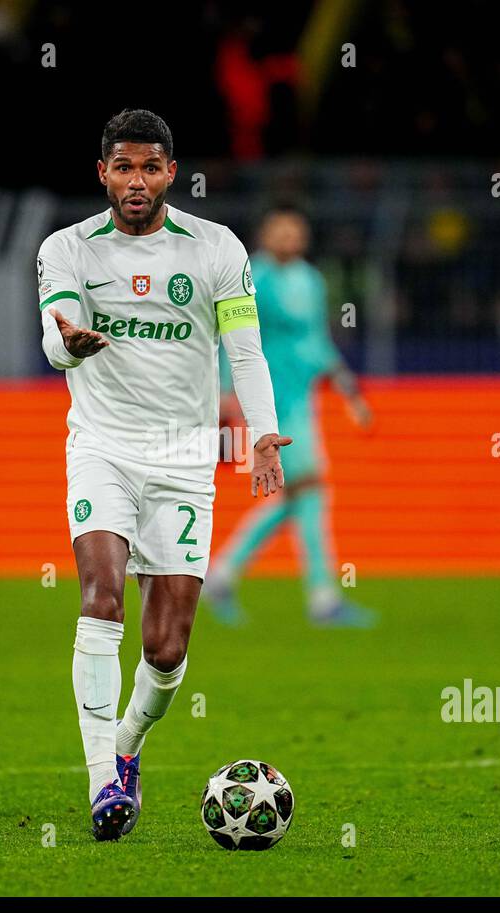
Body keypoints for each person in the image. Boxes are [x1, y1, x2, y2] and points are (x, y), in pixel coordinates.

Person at [36, 109, 291, 841]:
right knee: (100, 596)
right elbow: (53, 337)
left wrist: (264, 435)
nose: (137, 181)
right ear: (103, 174)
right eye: (124, 167)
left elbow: (244, 350)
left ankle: (127, 750)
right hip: (102, 447)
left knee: (167, 648)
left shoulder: (216, 249)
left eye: (150, 168)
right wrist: (71, 347)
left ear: (171, 173)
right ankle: (101, 784)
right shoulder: (68, 249)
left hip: (186, 460)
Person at [205, 206, 375, 626]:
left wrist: (347, 389)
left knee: (302, 494)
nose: (287, 237)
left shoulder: (311, 281)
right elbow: (235, 337)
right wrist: (228, 394)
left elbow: (318, 340)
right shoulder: (252, 277)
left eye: (294, 230)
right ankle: (321, 596)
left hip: (303, 397)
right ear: (265, 234)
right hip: (266, 399)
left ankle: (223, 574)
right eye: (279, 230)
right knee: (310, 490)